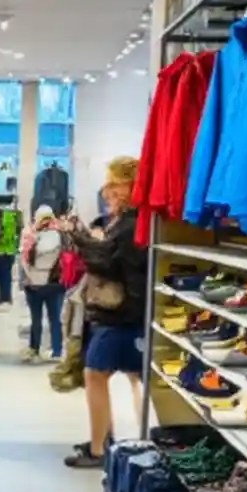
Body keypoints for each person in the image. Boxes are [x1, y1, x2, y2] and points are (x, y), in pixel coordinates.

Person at [63, 156, 147, 468]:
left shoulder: (129, 224)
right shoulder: (129, 221)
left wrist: (80, 238)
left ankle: (101, 447)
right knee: (126, 376)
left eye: (114, 183)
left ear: (131, 185)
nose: (106, 189)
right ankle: (109, 440)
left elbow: (107, 262)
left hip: (121, 314)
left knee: (96, 373)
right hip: (125, 313)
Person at [20, 204, 65, 364]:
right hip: (54, 283)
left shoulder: (28, 235)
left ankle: (34, 348)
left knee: (36, 318)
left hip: (34, 285)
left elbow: (24, 262)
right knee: (55, 318)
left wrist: (29, 278)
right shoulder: (60, 234)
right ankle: (57, 350)